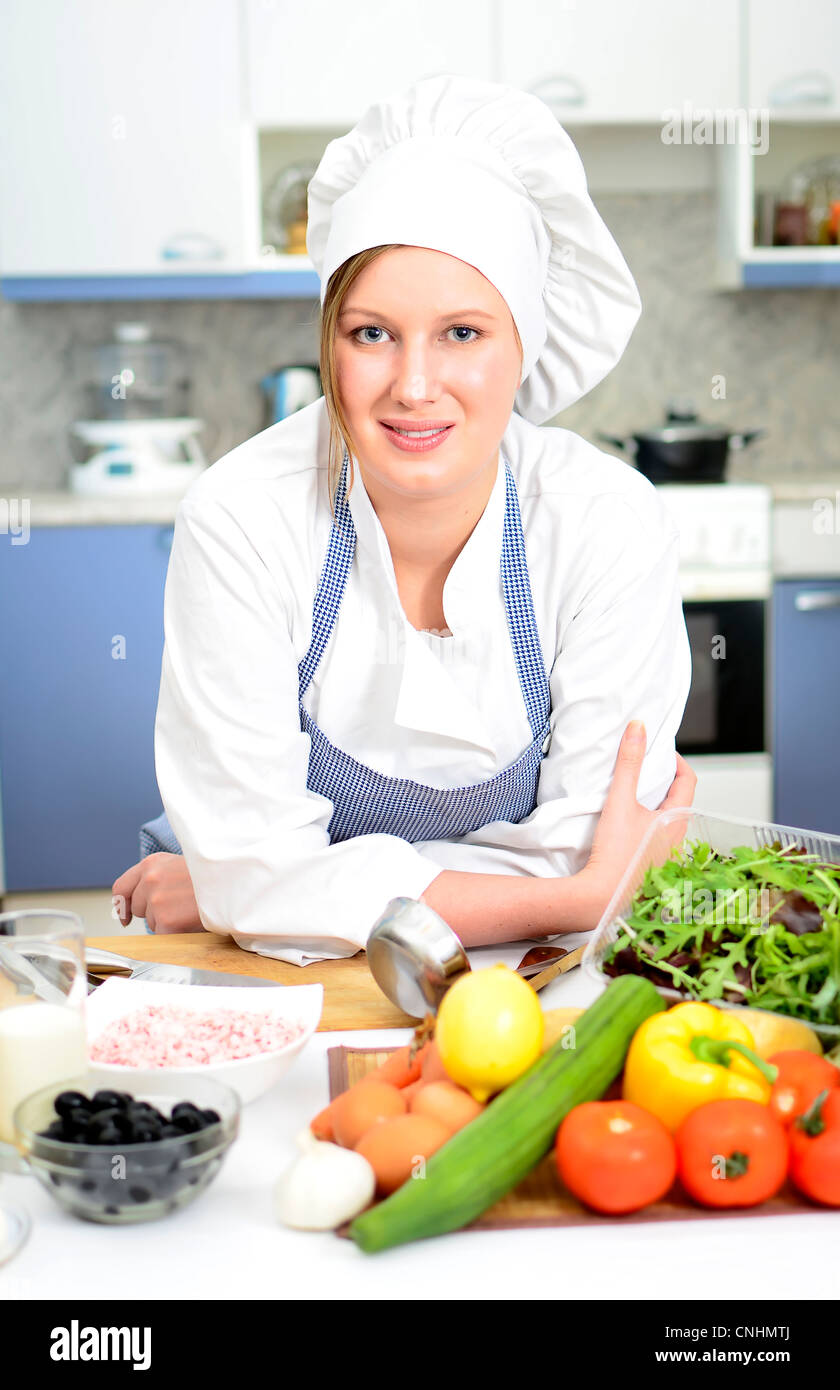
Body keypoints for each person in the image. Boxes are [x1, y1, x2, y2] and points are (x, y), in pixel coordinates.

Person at [113, 75, 694, 962]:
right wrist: (572, 891)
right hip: (263, 974)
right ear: (329, 344)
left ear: (523, 344)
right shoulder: (241, 515)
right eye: (371, 333)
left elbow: (259, 879)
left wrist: (261, 886)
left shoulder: (606, 522)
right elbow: (590, 877)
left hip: (519, 979)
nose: (414, 387)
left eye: (462, 333)